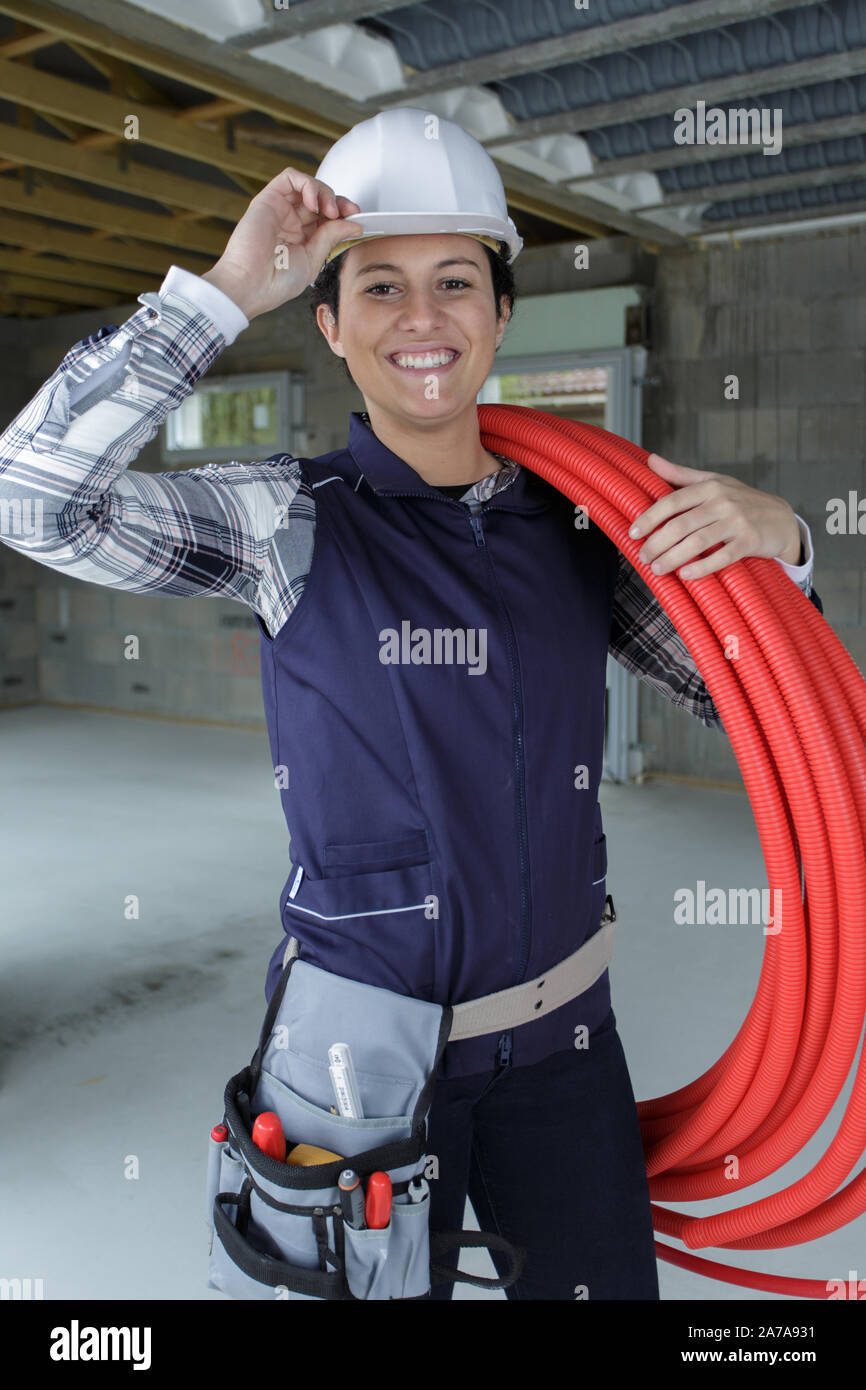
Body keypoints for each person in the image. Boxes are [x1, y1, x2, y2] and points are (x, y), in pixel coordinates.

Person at [0, 109, 821, 1300]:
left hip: (563, 1042)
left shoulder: (579, 521)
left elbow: (749, 702)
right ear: (327, 323)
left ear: (497, 315)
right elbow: (35, 501)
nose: (422, 319)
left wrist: (778, 545)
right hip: (355, 1061)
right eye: (379, 287)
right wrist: (231, 288)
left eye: (454, 282)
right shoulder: (286, 517)